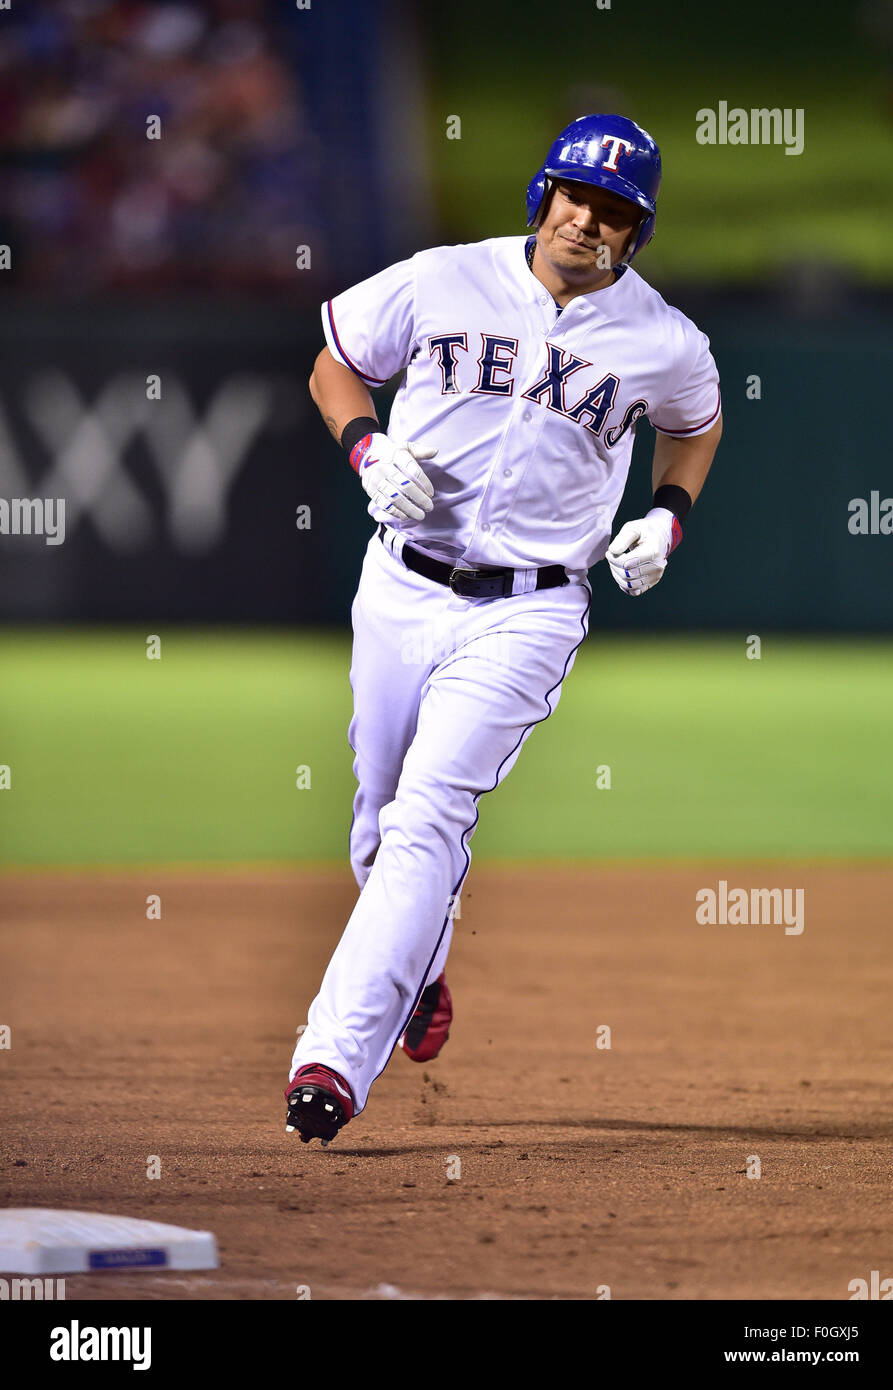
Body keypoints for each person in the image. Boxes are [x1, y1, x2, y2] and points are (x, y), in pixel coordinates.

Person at [285, 114, 722, 1145]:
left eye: (616, 212)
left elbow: (695, 427)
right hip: (399, 587)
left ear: (637, 232)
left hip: (530, 608)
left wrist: (667, 516)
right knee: (377, 820)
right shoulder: (444, 278)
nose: (589, 220)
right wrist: (363, 448)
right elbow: (332, 364)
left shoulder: (663, 341)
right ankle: (420, 968)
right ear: (544, 194)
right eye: (576, 195)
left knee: (430, 813)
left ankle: (331, 1058)